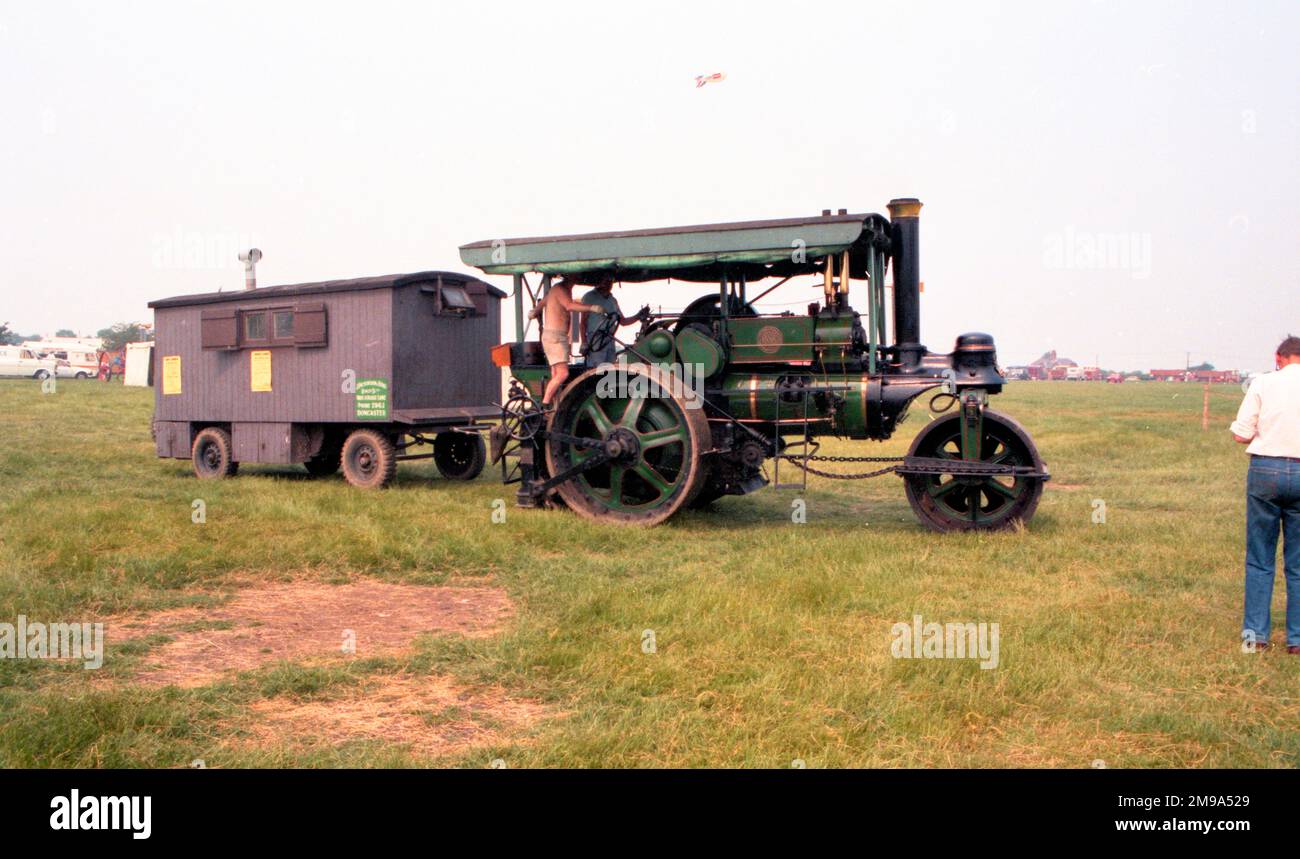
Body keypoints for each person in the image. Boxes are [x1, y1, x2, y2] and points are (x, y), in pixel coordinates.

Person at [1230, 335, 1300, 653]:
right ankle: (1297, 639)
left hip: (1266, 471)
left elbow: (1241, 434)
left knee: (1260, 558)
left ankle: (1256, 636)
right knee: (1297, 563)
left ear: (1279, 357)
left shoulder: (1263, 383)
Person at [531, 277, 605, 408]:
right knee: (562, 373)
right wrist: (591, 307)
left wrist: (535, 311)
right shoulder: (559, 289)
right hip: (555, 336)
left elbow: (543, 302)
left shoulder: (558, 291)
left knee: (555, 374)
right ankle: (544, 405)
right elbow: (569, 306)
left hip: (557, 336)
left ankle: (553, 407)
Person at [578, 275, 649, 367]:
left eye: (611, 281)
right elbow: (583, 322)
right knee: (596, 371)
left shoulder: (613, 300)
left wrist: (639, 315)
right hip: (595, 340)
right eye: (606, 280)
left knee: (610, 370)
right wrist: (584, 343)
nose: (608, 283)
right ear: (599, 281)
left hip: (609, 339)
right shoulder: (589, 297)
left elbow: (623, 321)